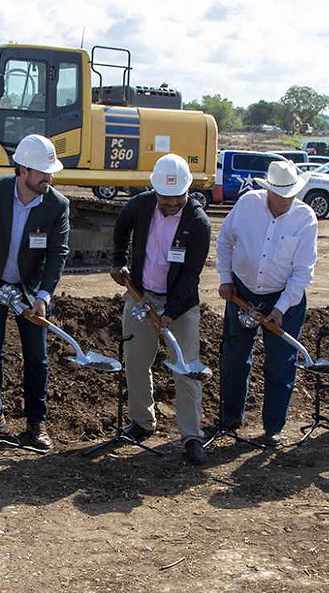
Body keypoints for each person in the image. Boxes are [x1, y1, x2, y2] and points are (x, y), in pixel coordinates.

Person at [0, 134, 70, 450]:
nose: (49, 178)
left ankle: (36, 421)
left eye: (51, 173)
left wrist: (43, 296)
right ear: (23, 170)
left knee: (37, 356)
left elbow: (58, 253)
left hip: (30, 289)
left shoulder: (57, 205)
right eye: (43, 172)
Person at [109, 154, 211, 463]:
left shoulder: (198, 223)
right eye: (165, 199)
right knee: (136, 361)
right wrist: (118, 260)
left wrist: (171, 313)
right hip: (141, 296)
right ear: (155, 191)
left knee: (186, 368)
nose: (171, 204)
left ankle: (192, 435)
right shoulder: (141, 206)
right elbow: (121, 226)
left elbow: (191, 275)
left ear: (187, 190)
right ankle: (142, 421)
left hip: (181, 303)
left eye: (177, 198)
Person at [215, 160, 318, 446]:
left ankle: (273, 426)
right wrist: (225, 278)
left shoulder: (305, 218)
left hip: (285, 297)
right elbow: (224, 241)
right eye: (280, 195)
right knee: (235, 356)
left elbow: (303, 272)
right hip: (243, 291)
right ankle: (230, 416)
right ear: (268, 190)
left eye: (290, 195)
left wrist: (280, 309)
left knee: (281, 363)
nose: (285, 200)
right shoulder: (247, 204)